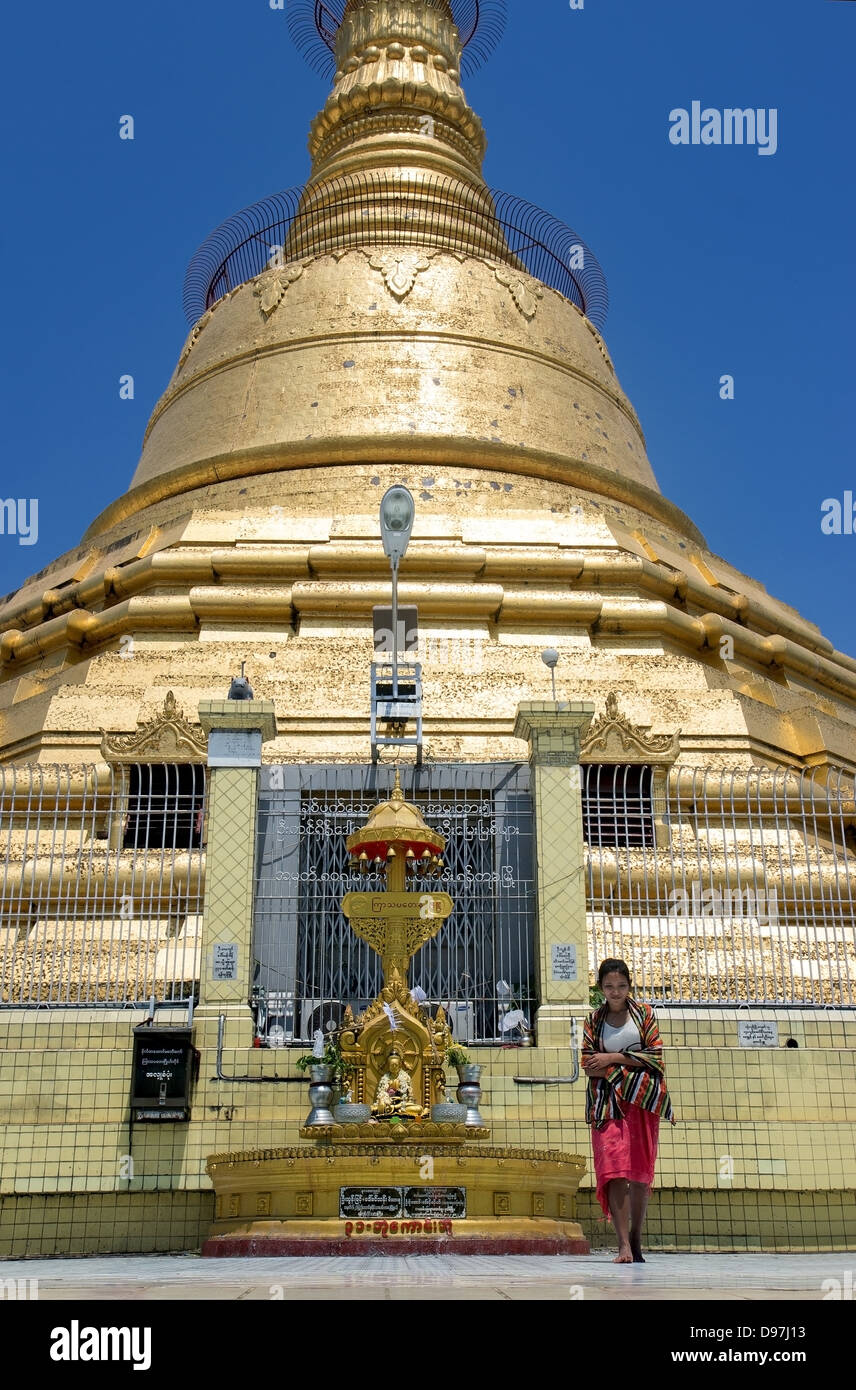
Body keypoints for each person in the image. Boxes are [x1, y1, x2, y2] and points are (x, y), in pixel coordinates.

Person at [582, 958, 676, 1263]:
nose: (615, 992)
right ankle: (622, 1242)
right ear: (600, 988)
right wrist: (626, 1063)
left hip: (642, 1102)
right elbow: (587, 1065)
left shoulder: (644, 1015)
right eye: (609, 986)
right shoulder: (594, 1021)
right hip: (607, 1103)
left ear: (629, 986)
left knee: (638, 1173)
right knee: (613, 1170)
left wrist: (611, 1059)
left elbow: (655, 1058)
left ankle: (636, 1237)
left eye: (621, 986)